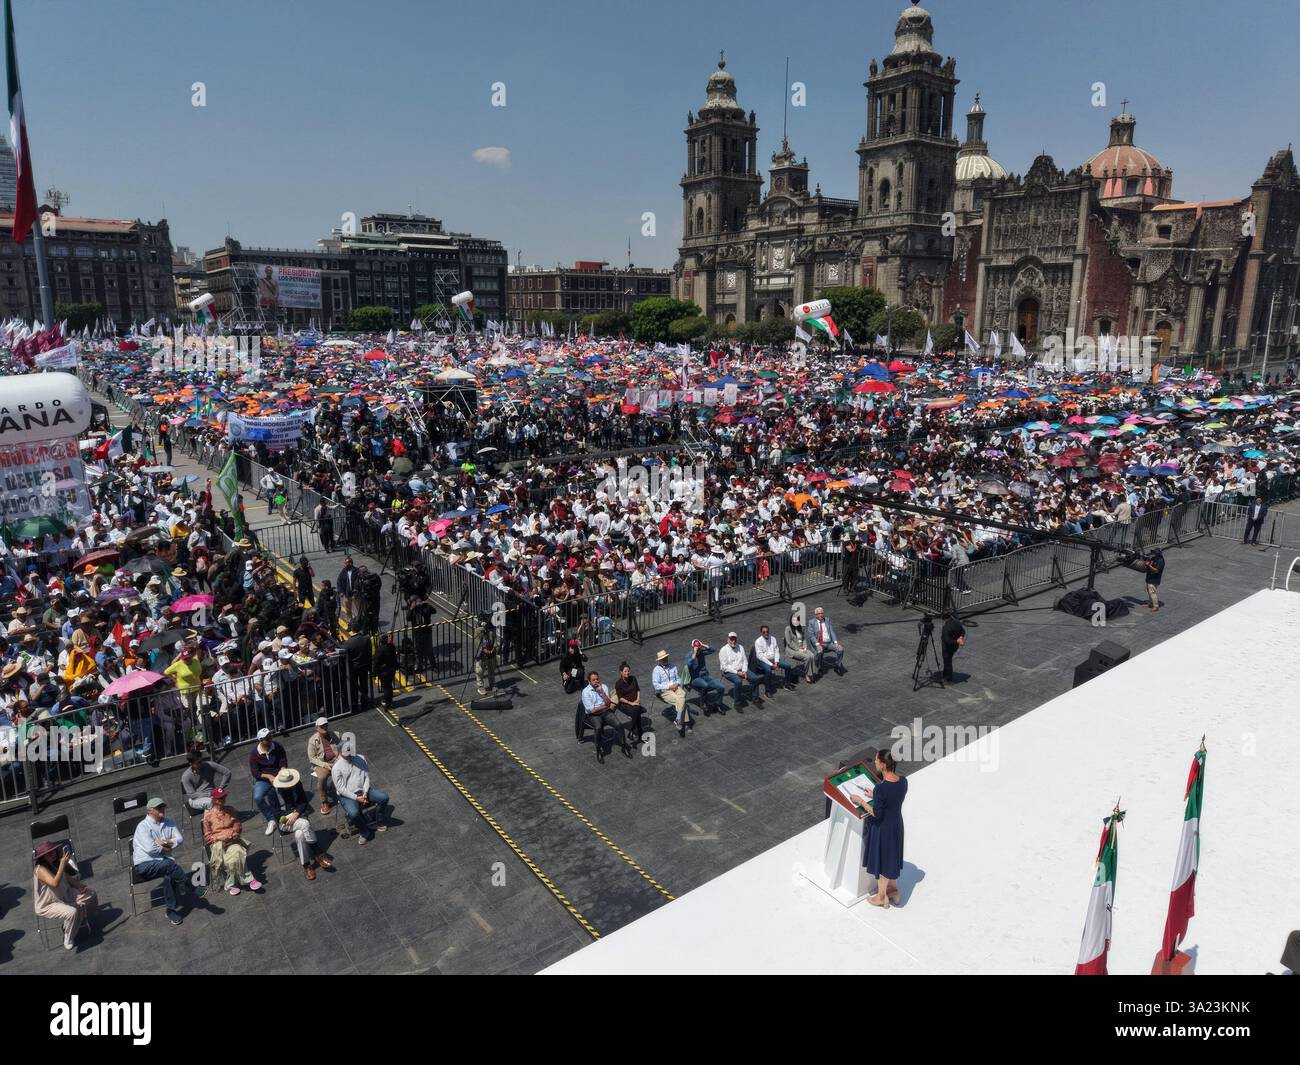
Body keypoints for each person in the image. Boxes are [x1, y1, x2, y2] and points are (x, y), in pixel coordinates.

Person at [132, 796, 204, 926]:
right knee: (170, 865)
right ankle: (190, 885)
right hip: (144, 865)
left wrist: (161, 843)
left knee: (169, 875)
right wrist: (168, 844)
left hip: (164, 863)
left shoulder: (169, 821)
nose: (163, 809)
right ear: (150, 810)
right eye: (159, 807)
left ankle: (170, 911)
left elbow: (180, 839)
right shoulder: (142, 827)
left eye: (163, 806)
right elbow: (151, 849)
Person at [33, 840, 98, 950]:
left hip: (65, 894)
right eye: (49, 854)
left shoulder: (55, 862)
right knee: (72, 912)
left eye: (53, 852)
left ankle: (74, 921)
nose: (52, 854)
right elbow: (54, 883)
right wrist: (62, 864)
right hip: (49, 903)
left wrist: (78, 885)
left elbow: (66, 877)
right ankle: (68, 936)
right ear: (43, 857)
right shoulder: (40, 869)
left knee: (91, 895)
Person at [863, 750, 907, 909]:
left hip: (884, 828)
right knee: (892, 856)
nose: (875, 762)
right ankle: (894, 891)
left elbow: (877, 813)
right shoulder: (903, 781)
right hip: (896, 825)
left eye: (876, 760)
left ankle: (882, 896)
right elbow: (892, 800)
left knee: (883, 861)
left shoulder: (881, 789)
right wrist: (875, 797)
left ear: (882, 764)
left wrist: (861, 801)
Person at [273, 767, 335, 879]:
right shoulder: (273, 792)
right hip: (285, 821)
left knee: (299, 835)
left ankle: (306, 865)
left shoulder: (297, 785)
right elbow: (276, 813)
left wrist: (296, 813)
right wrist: (287, 818)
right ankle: (318, 852)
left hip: (299, 814)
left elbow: (303, 802)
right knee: (305, 824)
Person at [201, 788, 263, 895]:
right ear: (214, 800)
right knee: (232, 859)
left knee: (237, 852)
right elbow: (208, 837)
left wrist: (233, 833)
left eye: (224, 797)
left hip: (233, 841)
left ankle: (234, 883)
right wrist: (223, 836)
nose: (223, 799)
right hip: (218, 844)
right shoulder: (208, 817)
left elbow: (238, 825)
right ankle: (243, 881)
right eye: (220, 798)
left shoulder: (230, 810)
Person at [331, 747, 392, 844]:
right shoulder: (336, 768)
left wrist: (366, 792)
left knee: (383, 798)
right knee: (354, 813)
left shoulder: (361, 758)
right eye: (344, 750)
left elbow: (366, 777)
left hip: (363, 791)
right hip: (347, 796)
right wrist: (356, 798)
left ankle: (379, 822)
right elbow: (341, 789)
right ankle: (364, 831)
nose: (347, 752)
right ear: (340, 751)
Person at [579, 669, 632, 762]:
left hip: (605, 712)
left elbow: (608, 703)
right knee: (598, 727)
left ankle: (624, 746)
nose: (596, 681)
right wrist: (603, 706)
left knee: (619, 725)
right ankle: (598, 750)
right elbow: (592, 710)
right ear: (589, 681)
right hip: (593, 715)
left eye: (597, 679)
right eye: (594, 680)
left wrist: (602, 692)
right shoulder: (585, 692)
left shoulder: (603, 687)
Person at [248, 728, 288, 834]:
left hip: (279, 775)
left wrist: (283, 768)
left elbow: (283, 760)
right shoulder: (254, 754)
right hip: (264, 779)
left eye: (270, 736)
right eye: (267, 738)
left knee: (285, 788)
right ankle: (271, 819)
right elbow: (255, 772)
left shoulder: (277, 746)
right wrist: (268, 777)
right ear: (260, 740)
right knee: (258, 797)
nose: (270, 739)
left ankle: (286, 813)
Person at [651, 648, 692, 738]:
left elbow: (678, 678)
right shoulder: (656, 670)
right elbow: (656, 685)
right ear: (660, 660)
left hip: (675, 687)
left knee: (683, 695)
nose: (665, 659)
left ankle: (678, 719)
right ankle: (685, 723)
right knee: (681, 700)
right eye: (663, 658)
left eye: (666, 657)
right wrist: (669, 687)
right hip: (665, 691)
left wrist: (676, 684)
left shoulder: (673, 666)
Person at [307, 716, 341, 813]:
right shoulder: (313, 740)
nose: (325, 727)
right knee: (322, 777)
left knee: (350, 766)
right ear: (317, 728)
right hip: (322, 764)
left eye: (326, 725)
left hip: (335, 760)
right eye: (322, 726)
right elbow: (312, 758)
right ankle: (324, 801)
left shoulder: (335, 734)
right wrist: (325, 765)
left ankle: (351, 792)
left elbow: (343, 747)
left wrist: (339, 758)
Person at [718, 630, 760, 708]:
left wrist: (744, 671)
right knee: (738, 681)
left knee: (755, 678)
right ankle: (737, 703)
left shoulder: (740, 647)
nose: (733, 641)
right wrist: (737, 673)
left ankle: (756, 699)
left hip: (742, 669)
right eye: (731, 639)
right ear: (728, 639)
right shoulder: (723, 650)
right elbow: (725, 667)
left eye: (734, 639)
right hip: (729, 671)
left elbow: (745, 661)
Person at [751, 623, 794, 694]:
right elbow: (760, 656)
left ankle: (787, 684)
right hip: (763, 661)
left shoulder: (773, 639)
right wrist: (771, 664)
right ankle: (767, 691)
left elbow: (776, 651)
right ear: (761, 633)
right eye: (764, 632)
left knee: (788, 666)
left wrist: (776, 662)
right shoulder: (758, 642)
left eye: (767, 631)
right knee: (768, 670)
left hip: (774, 659)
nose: (766, 633)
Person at [686, 638, 726, 712]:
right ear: (693, 648)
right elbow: (688, 664)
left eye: (699, 649)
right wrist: (694, 654)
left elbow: (713, 650)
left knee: (721, 687)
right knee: (705, 686)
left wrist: (703, 645)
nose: (698, 651)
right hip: (695, 679)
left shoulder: (701, 652)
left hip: (706, 676)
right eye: (697, 649)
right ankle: (703, 703)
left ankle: (717, 705)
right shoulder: (689, 655)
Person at [611, 661, 644, 744]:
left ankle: (633, 732)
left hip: (635, 701)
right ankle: (637, 733)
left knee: (636, 709)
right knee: (637, 710)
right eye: (625, 671)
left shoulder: (633, 678)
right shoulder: (618, 683)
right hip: (624, 704)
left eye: (628, 671)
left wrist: (638, 699)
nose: (627, 673)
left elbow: (638, 690)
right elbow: (620, 698)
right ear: (621, 672)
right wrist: (631, 703)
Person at [811, 606, 846, 677]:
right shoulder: (812, 622)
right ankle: (820, 668)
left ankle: (837, 665)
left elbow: (831, 631)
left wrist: (835, 642)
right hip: (819, 643)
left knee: (841, 649)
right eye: (819, 613)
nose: (821, 615)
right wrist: (817, 644)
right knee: (820, 652)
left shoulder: (827, 620)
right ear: (816, 615)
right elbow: (811, 635)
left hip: (829, 643)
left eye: (822, 613)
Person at [783, 611, 816, 683]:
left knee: (812, 655)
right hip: (792, 650)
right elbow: (789, 642)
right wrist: (798, 649)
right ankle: (808, 675)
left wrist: (804, 647)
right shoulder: (788, 629)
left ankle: (812, 673)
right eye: (793, 620)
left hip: (801, 648)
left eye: (797, 620)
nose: (795, 621)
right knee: (807, 657)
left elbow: (804, 639)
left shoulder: (801, 628)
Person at [474, 615, 497, 696]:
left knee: (491, 669)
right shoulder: (478, 630)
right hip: (481, 655)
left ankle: (492, 684)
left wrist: (493, 648)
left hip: (491, 652)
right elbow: (477, 642)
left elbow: (495, 640)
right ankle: (480, 686)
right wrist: (484, 650)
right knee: (479, 670)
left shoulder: (492, 629)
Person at [940, 610, 966, 682]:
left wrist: (957, 640)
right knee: (948, 661)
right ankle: (945, 674)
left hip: (948, 648)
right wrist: (960, 638)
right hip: (955, 646)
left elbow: (947, 641)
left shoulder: (946, 628)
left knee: (947, 662)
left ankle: (948, 679)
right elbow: (963, 631)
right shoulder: (957, 622)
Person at [375, 633, 398, 710]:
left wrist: (374, 672)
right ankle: (389, 700)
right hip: (392, 669)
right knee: (389, 686)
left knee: (386, 687)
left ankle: (388, 704)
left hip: (384, 671)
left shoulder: (380, 649)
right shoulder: (392, 647)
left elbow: (376, 662)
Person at [1142, 547, 1166, 612]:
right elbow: (1149, 563)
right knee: (1149, 592)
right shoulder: (1154, 558)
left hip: (1155, 579)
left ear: (1158, 553)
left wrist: (1149, 565)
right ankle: (1150, 604)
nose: (1154, 553)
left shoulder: (1161, 561)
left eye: (1155, 552)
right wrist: (1147, 561)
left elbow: (1156, 570)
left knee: (1152, 592)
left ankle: (1156, 606)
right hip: (1149, 578)